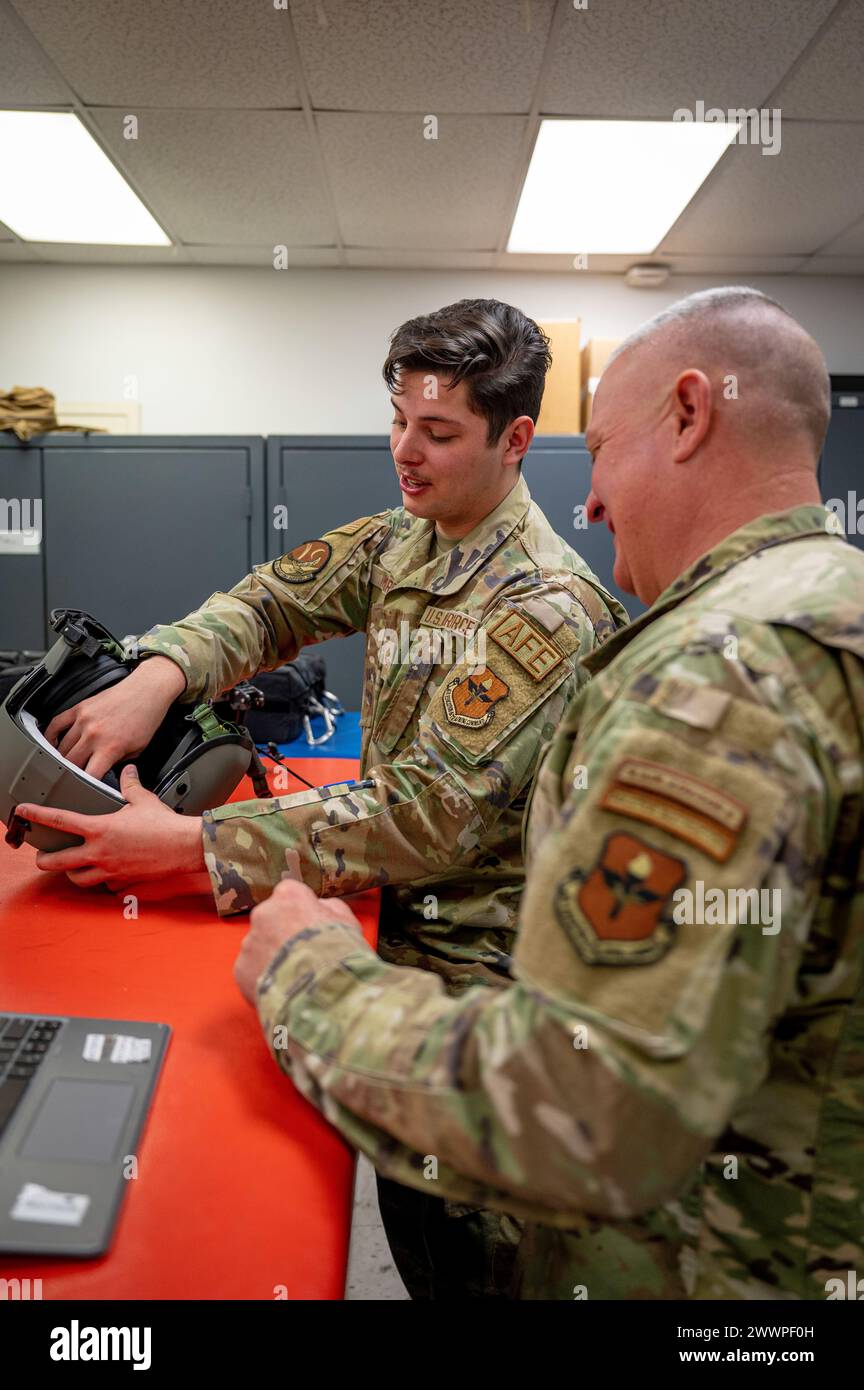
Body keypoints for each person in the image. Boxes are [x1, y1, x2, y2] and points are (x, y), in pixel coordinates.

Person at [233, 286, 864, 1300]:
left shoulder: (719, 671)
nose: (595, 499)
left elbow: (585, 1109)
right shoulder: (834, 611)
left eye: (605, 449)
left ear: (692, 413)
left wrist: (307, 979)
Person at [17, 299, 626, 1290]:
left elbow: (421, 814)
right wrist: (158, 672)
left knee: (463, 1260)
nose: (405, 451)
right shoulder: (409, 542)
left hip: (470, 1019)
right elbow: (276, 599)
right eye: (397, 419)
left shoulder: (544, 608)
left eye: (437, 432)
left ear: (516, 440)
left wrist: (188, 847)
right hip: (393, 963)